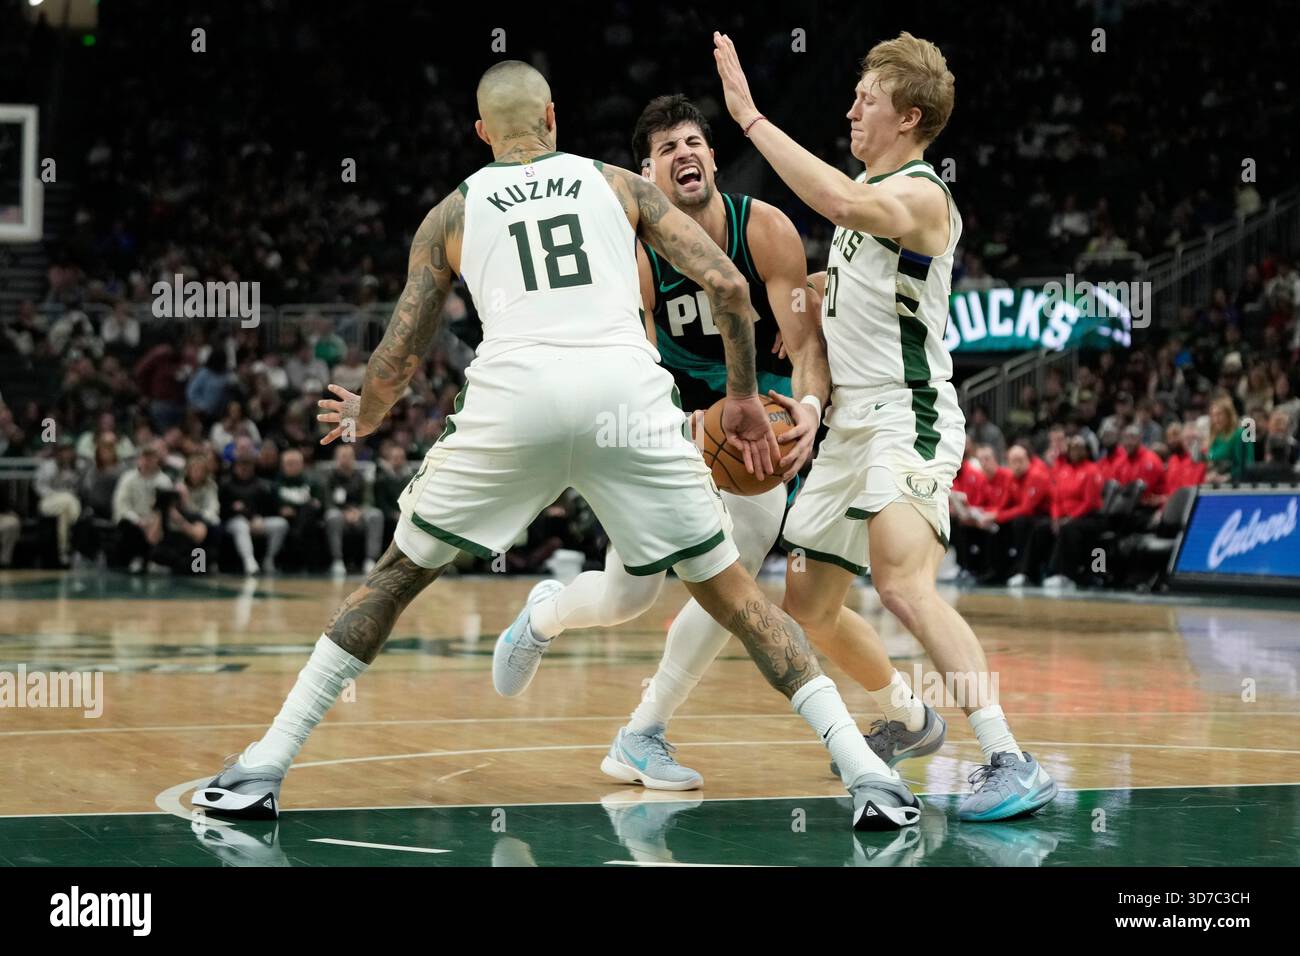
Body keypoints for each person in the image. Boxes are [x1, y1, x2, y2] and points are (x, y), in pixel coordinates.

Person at [194, 60, 914, 831]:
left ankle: (264, 767)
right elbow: (731, 291)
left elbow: (401, 349)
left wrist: (368, 412)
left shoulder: (452, 212)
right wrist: (741, 397)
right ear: (554, 118)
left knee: (396, 577)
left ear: (481, 133)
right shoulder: (618, 185)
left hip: (515, 402)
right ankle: (868, 774)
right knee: (736, 595)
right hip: (625, 401)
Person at [712, 29, 1058, 819]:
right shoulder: (871, 203)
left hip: (910, 413)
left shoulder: (921, 195)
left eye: (864, 100)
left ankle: (1009, 755)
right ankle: (910, 718)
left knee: (902, 584)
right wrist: (816, 298)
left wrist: (752, 120)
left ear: (908, 116)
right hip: (849, 425)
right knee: (808, 608)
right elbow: (858, 256)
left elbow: (842, 201)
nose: (850, 110)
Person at [493, 92, 827, 789]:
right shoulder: (633, 257)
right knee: (628, 597)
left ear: (711, 156)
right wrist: (699, 429)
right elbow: (635, 372)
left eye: (694, 142)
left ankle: (643, 733)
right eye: (667, 147)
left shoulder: (765, 229)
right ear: (645, 172)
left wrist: (811, 407)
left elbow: (804, 343)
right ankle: (545, 616)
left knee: (741, 557)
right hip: (656, 425)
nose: (685, 154)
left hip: (753, 424)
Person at [324, 443, 384, 576]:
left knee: (376, 514)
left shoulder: (360, 477)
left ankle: (370, 559)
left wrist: (359, 512)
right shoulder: (330, 477)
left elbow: (367, 500)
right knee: (333, 516)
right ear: (336, 458)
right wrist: (345, 513)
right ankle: (337, 560)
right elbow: (328, 502)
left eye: (350, 456)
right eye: (343, 456)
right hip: (339, 514)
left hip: (359, 513)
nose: (346, 459)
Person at [35, 440, 85, 567]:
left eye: (69, 451)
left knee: (64, 515)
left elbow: (81, 487)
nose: (67, 454)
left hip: (67, 506)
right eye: (63, 451)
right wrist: (59, 495)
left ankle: (63, 552)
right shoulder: (48, 466)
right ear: (58, 452)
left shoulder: (79, 466)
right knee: (68, 498)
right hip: (48, 502)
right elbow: (39, 487)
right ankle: (76, 524)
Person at [1205, 394, 1254, 482]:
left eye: (1219, 414)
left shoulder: (1240, 434)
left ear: (1229, 415)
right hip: (1216, 483)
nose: (1216, 419)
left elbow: (1244, 464)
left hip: (1237, 483)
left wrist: (1229, 477)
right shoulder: (1214, 437)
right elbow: (1211, 458)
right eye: (1213, 415)